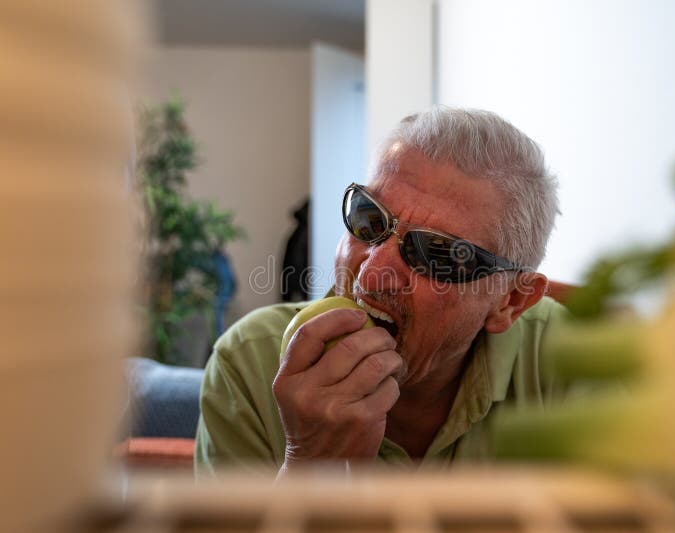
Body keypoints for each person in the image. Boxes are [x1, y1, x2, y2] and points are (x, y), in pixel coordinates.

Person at [195, 107, 563, 477]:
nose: (371, 275)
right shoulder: (247, 365)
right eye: (368, 218)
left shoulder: (571, 362)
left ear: (510, 301)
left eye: (434, 253)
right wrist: (310, 466)